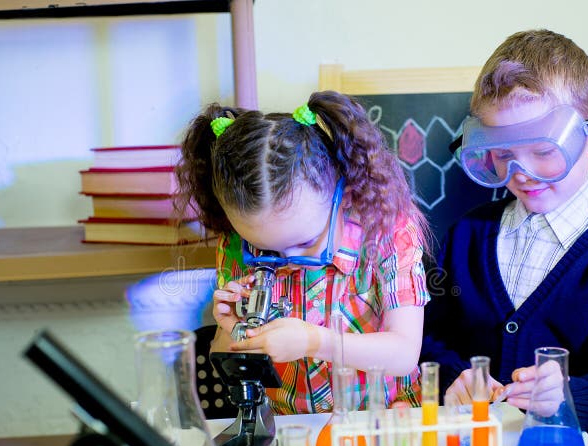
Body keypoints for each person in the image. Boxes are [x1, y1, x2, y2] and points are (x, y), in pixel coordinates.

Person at [420, 29, 588, 446]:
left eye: (543, 151)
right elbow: (429, 340)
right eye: (502, 153)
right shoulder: (467, 236)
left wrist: (565, 395)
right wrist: (455, 377)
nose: (522, 172)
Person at [175, 90, 431, 415]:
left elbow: (404, 352)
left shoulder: (389, 232)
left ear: (344, 194)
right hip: (290, 430)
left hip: (384, 422)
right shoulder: (236, 245)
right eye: (266, 249)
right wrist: (232, 331)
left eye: (304, 242)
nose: (287, 259)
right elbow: (228, 365)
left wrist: (316, 341)